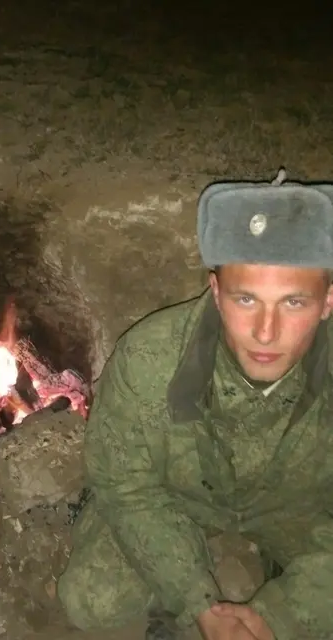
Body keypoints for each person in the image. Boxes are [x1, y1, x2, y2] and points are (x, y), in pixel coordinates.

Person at [57, 170, 333, 640]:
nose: (265, 332)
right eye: (246, 299)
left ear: (327, 302)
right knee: (90, 598)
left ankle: (264, 568)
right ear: (217, 293)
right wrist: (196, 600)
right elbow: (125, 486)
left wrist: (280, 616)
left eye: (293, 303)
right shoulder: (149, 358)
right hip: (185, 501)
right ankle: (208, 565)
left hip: (298, 512)